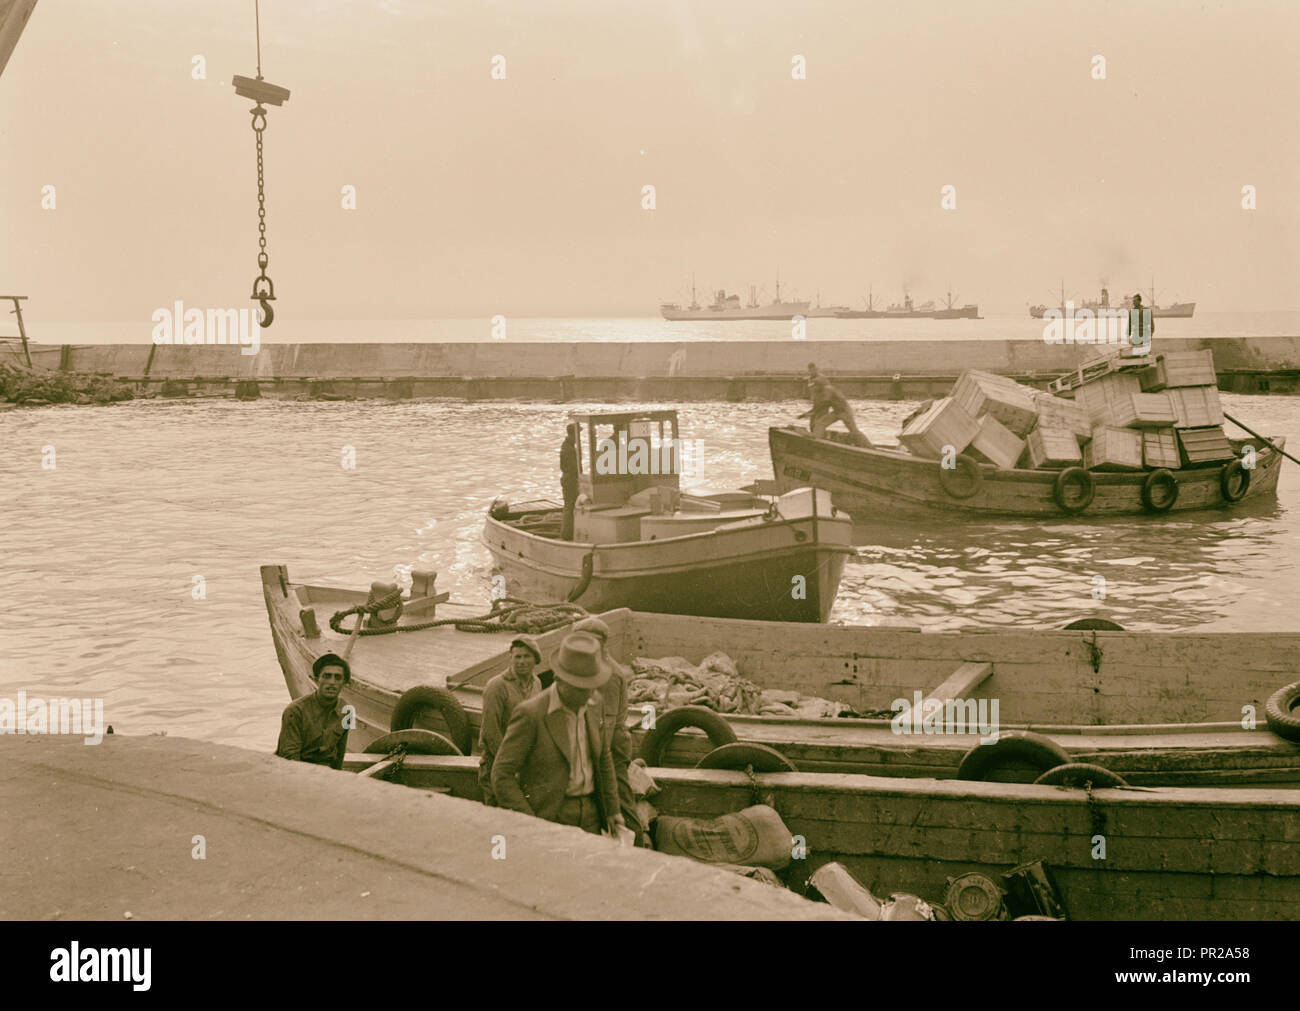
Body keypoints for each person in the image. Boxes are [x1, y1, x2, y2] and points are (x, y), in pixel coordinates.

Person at [491, 632, 625, 837]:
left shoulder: (594, 704)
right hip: (551, 817)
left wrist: (613, 809)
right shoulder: (531, 714)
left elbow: (603, 758)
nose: (589, 694)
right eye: (581, 689)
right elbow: (502, 775)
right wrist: (530, 821)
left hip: (591, 815)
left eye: (592, 687)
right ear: (560, 680)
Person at [571, 616, 643, 845]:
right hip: (601, 739)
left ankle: (639, 844)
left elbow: (608, 720)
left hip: (611, 744)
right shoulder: (595, 667)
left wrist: (597, 755)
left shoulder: (609, 674)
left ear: (602, 644)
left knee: (619, 798)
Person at [476, 636, 544, 805]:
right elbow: (490, 734)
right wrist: (509, 766)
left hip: (524, 764)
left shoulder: (536, 683)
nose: (521, 661)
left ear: (535, 659)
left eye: (526, 656)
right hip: (498, 764)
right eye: (517, 656)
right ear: (511, 658)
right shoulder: (497, 686)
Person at [275, 652, 351, 770]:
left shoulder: (346, 711)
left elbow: (339, 756)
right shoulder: (295, 711)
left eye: (337, 677)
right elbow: (289, 758)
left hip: (326, 773)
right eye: (326, 676)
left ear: (344, 683)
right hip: (296, 772)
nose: (332, 682)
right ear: (316, 680)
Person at [805, 372, 871, 447]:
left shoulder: (827, 389)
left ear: (818, 385)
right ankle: (816, 440)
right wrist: (810, 412)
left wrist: (812, 412)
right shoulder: (821, 391)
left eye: (814, 386)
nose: (812, 388)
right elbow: (821, 406)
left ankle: (868, 446)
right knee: (820, 423)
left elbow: (825, 403)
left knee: (854, 431)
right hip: (836, 411)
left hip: (845, 411)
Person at [560, 422, 580, 541]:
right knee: (570, 505)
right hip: (570, 479)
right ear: (573, 434)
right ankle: (567, 534)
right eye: (577, 434)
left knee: (569, 505)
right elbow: (573, 467)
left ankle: (568, 532)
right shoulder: (569, 448)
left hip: (569, 478)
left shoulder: (567, 445)